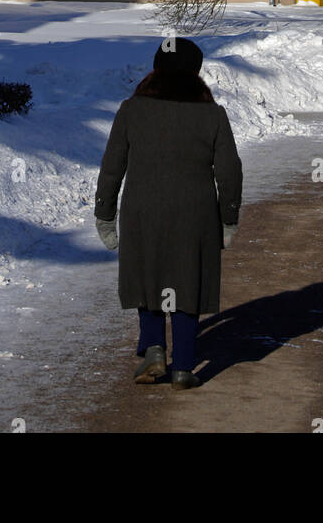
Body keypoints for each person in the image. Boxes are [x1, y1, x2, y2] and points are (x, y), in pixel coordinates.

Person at [94, 37, 243, 389]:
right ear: (196, 71)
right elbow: (229, 171)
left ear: (156, 67)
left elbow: (112, 165)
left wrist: (105, 213)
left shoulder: (132, 110)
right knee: (187, 280)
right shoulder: (212, 114)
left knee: (149, 276)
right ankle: (184, 366)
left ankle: (155, 351)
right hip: (196, 212)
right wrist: (229, 218)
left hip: (142, 209)